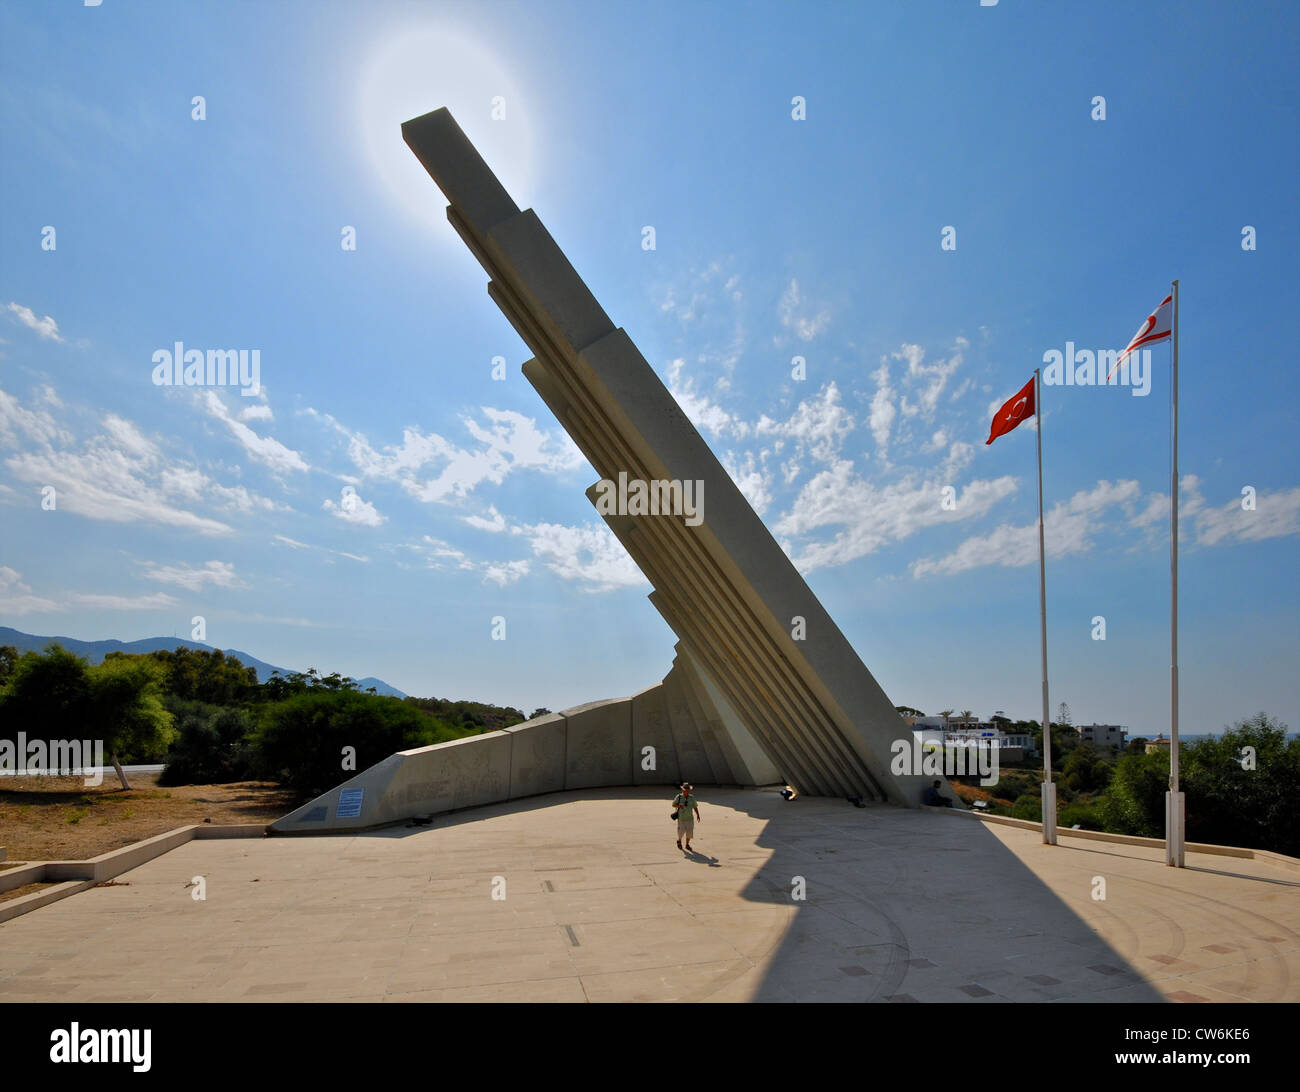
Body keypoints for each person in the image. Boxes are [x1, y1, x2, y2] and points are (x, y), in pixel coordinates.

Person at [672, 782, 701, 851]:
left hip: (690, 818)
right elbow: (673, 805)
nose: (687, 791)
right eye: (685, 790)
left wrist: (698, 814)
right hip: (681, 819)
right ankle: (679, 840)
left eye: (688, 790)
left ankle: (687, 844)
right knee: (681, 832)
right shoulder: (678, 797)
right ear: (682, 790)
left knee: (689, 833)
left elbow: (695, 806)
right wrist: (680, 806)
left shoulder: (691, 797)